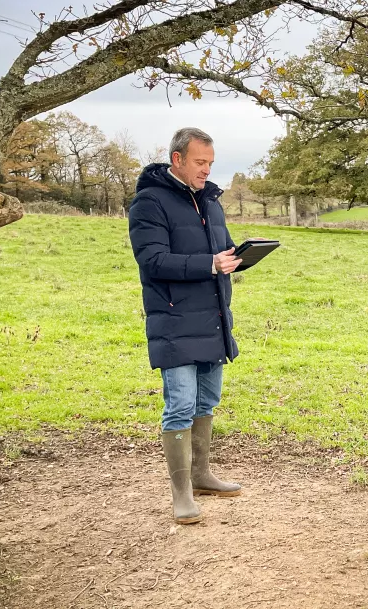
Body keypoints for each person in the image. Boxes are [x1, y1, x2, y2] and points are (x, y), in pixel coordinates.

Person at [128, 127, 244, 525]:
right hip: (175, 320)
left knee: (206, 403)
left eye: (210, 163)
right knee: (179, 406)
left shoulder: (211, 203)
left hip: (213, 319)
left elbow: (220, 250)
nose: (206, 170)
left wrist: (237, 258)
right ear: (177, 159)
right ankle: (181, 494)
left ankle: (201, 475)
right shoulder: (149, 203)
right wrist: (209, 264)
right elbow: (153, 261)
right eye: (200, 162)